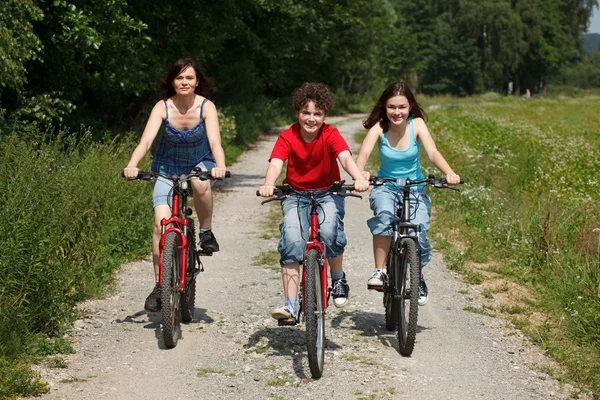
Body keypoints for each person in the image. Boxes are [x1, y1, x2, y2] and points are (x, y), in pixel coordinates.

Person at [258, 82, 369, 321]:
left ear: (325, 115)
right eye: (306, 113)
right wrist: (269, 183)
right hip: (296, 194)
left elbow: (345, 158)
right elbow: (276, 162)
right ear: (297, 112)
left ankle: (338, 279)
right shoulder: (287, 136)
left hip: (329, 192)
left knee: (329, 231)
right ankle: (289, 304)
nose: (311, 118)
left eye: (317, 113)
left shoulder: (330, 134)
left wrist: (358, 177)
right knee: (293, 238)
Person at [123, 58, 227, 312]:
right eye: (179, 78)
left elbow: (214, 141)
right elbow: (146, 141)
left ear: (197, 81)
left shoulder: (206, 107)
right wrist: (132, 164)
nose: (184, 82)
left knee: (199, 183)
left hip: (200, 162)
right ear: (172, 81)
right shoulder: (162, 107)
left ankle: (206, 232)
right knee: (160, 226)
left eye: (189, 77)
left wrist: (220, 165)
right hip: (167, 167)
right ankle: (160, 285)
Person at [356, 82, 460, 306]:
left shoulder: (417, 124)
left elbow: (432, 152)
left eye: (402, 107)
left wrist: (449, 172)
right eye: (392, 107)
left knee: (419, 232)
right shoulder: (379, 128)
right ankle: (380, 271)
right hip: (386, 186)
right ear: (385, 107)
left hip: (415, 187)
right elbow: (364, 153)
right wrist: (360, 173)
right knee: (384, 218)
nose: (397, 112)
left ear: (410, 107)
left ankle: (417, 277)